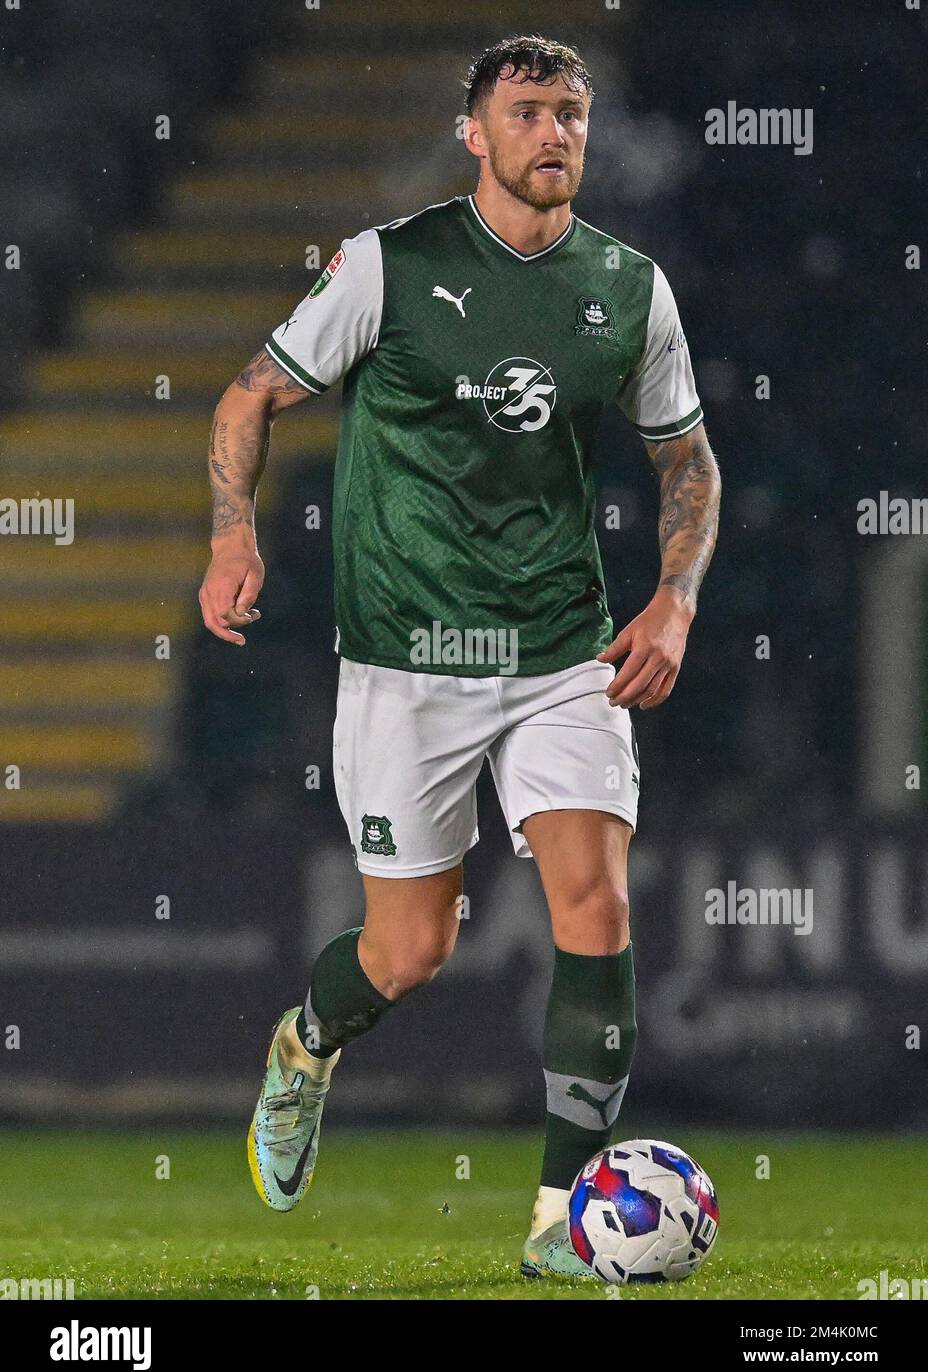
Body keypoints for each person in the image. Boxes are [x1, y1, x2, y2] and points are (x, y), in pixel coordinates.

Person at [199, 33, 721, 1280]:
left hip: (558, 650)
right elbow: (246, 397)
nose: (557, 134)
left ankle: (557, 1225)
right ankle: (307, 1044)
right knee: (411, 949)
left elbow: (687, 461)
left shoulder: (630, 287)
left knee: (593, 905)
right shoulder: (389, 267)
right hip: (405, 657)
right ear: (473, 135)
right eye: (530, 112)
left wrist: (676, 601)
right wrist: (232, 537)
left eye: (574, 114)